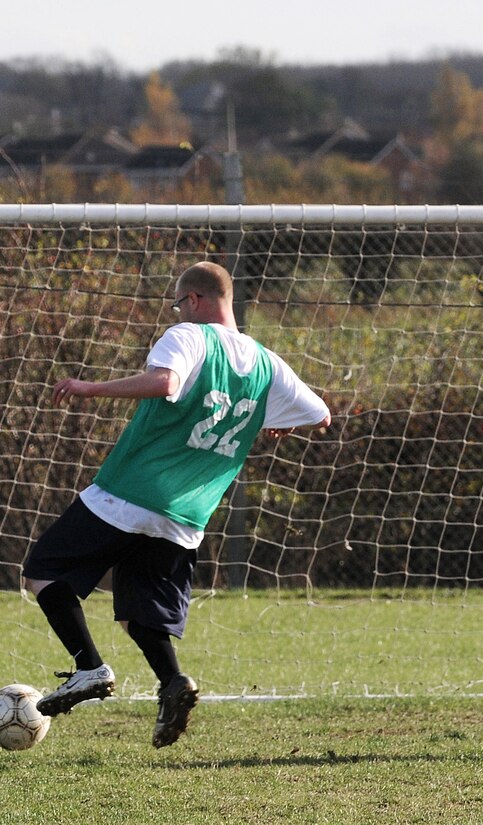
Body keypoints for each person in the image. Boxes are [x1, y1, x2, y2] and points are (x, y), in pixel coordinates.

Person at [23, 261, 331, 747]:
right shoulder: (267, 362)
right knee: (138, 615)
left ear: (194, 301)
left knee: (43, 570)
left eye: (178, 303)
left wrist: (90, 388)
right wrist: (279, 421)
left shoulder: (188, 336)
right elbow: (321, 414)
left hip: (129, 493)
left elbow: (166, 383)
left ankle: (89, 669)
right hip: (187, 516)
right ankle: (173, 683)